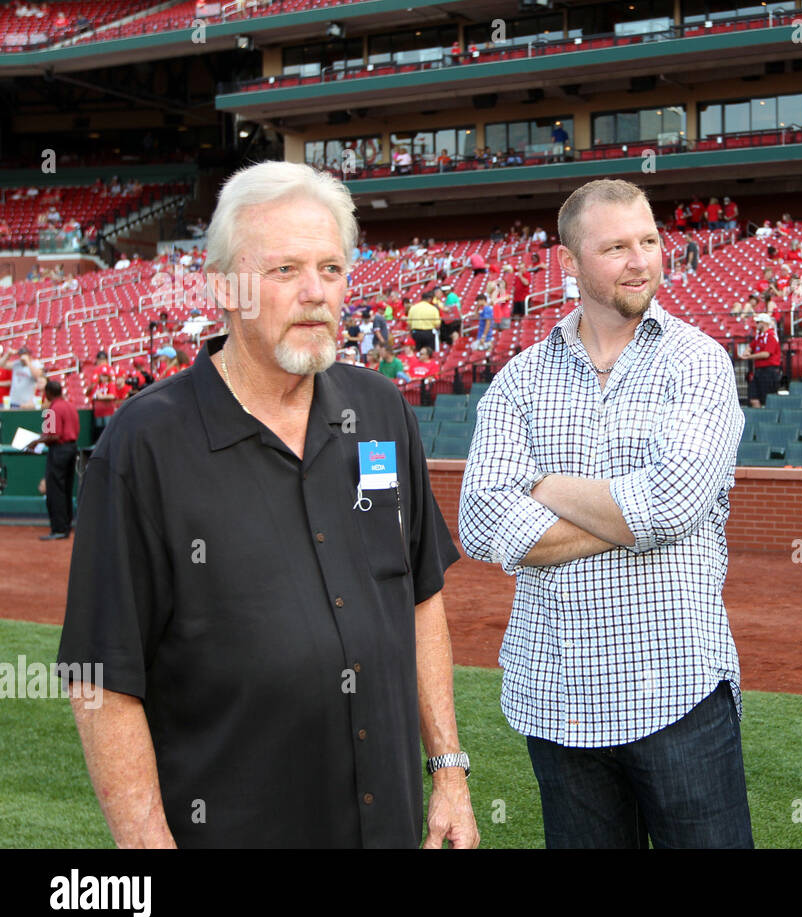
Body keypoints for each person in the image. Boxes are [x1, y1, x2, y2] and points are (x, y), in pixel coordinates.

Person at [56, 161, 477, 849]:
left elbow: (420, 597)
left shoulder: (380, 410)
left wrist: (450, 771)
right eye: (284, 271)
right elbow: (100, 675)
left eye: (332, 269)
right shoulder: (144, 444)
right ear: (224, 286)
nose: (316, 293)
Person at [459, 177, 752, 849]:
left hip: (676, 688)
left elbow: (673, 505)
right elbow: (480, 520)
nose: (641, 259)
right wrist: (634, 512)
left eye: (649, 240)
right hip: (556, 696)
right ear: (569, 263)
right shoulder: (520, 378)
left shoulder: (698, 363)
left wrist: (543, 484)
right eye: (616, 246)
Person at [24, 379, 80, 540]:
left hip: (59, 451)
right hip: (71, 448)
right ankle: (66, 527)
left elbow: (54, 436)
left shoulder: (53, 408)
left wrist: (36, 441)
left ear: (48, 393)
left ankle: (58, 529)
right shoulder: (70, 405)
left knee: (55, 491)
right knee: (67, 489)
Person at [740, 312, 782, 408]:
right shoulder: (759, 336)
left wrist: (749, 357)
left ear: (764, 323)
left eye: (758, 322)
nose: (756, 324)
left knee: (768, 400)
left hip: (769, 371)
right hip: (759, 371)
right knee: (753, 398)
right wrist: (747, 351)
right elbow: (751, 346)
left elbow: (766, 354)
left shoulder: (771, 335)